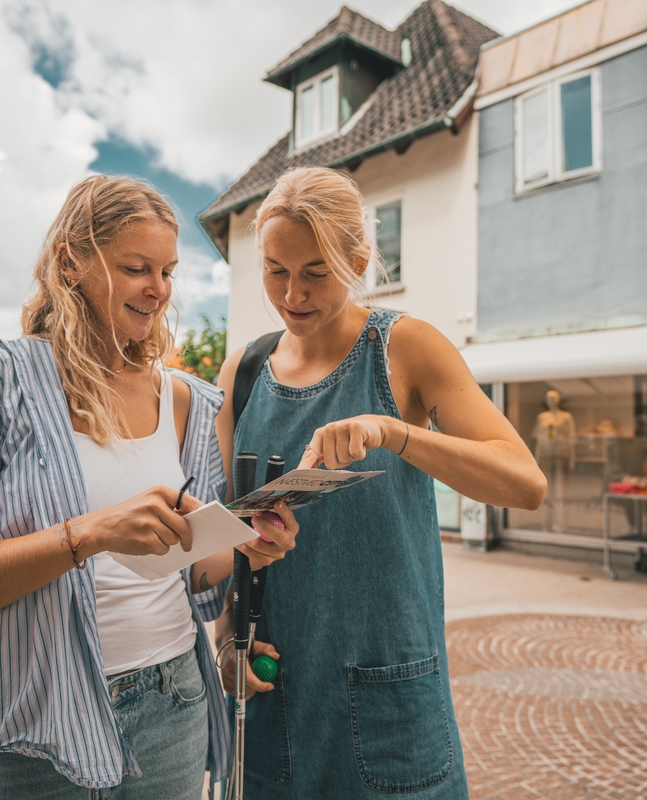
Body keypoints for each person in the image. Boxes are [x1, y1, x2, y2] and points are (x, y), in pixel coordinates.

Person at [0, 175, 299, 799]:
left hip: (172, 707)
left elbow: (190, 571)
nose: (159, 291)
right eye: (136, 267)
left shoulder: (189, 402)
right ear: (71, 261)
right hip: (24, 727)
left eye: (168, 271)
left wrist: (243, 540)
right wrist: (90, 534)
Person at [214, 167, 546, 799]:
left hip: (389, 705)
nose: (293, 294)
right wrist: (228, 641)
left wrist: (395, 433)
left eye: (316, 271)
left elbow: (524, 482)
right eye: (275, 270)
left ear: (359, 258)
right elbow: (231, 538)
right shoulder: (244, 372)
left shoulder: (406, 348)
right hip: (271, 704)